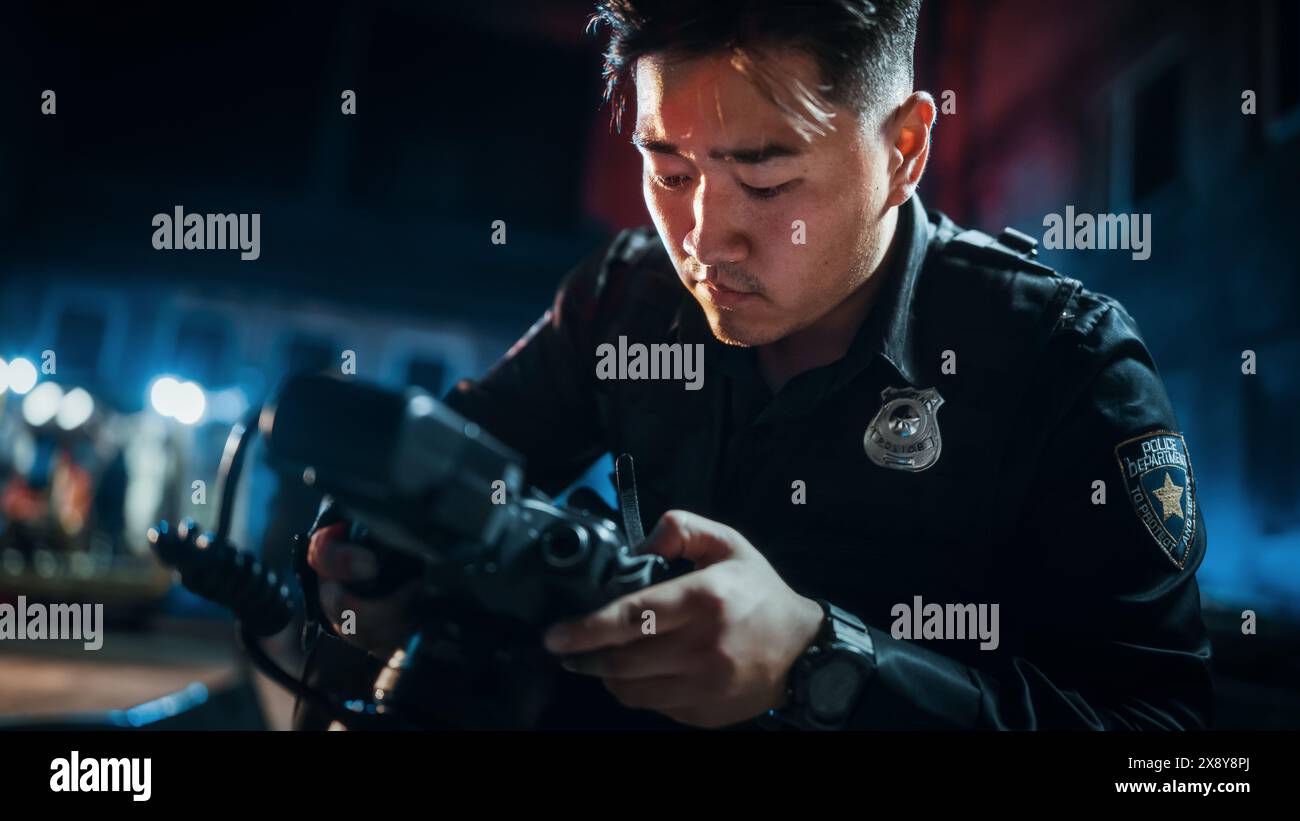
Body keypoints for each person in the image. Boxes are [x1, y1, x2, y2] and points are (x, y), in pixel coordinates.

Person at [299, 0, 1213, 730]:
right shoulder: (626, 301)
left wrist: (826, 663)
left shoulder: (1063, 362)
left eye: (768, 183)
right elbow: (445, 470)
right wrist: (369, 575)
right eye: (669, 172)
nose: (704, 242)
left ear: (903, 151)